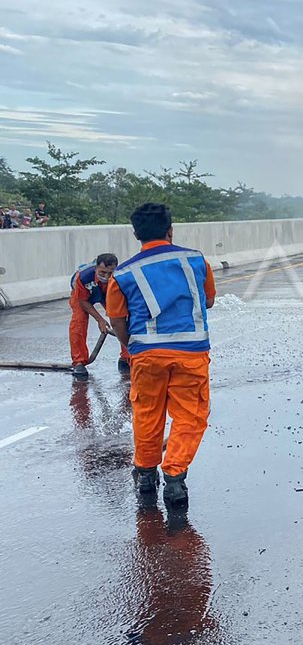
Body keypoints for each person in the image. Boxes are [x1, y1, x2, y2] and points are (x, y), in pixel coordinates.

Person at [108, 203, 216, 508]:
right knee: (190, 415)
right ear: (170, 230)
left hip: (145, 356)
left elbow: (117, 318)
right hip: (191, 353)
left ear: (136, 234)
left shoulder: (123, 273)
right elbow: (208, 301)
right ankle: (175, 476)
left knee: (146, 413)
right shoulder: (196, 260)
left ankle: (145, 473)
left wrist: (131, 346)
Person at [68, 253, 132, 378]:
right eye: (102, 272)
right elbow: (83, 302)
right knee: (78, 323)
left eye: (110, 273)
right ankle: (79, 361)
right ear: (96, 268)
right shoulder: (83, 277)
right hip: (83, 296)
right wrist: (100, 320)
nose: (106, 277)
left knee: (123, 318)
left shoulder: (120, 277)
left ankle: (126, 357)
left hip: (107, 294)